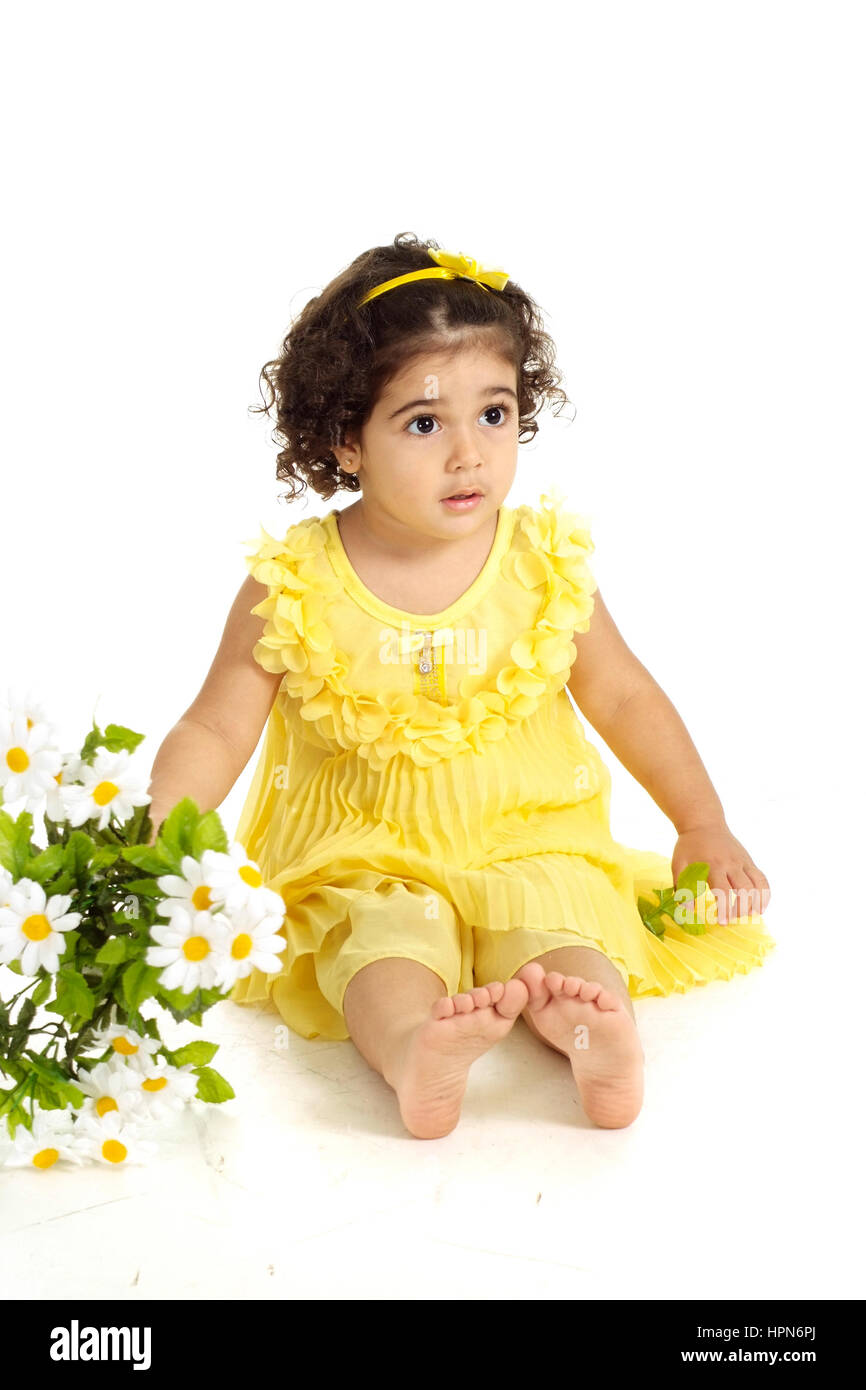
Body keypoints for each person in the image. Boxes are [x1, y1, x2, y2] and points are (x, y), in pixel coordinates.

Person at [146, 233, 774, 1141]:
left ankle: (596, 1027)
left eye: (494, 413)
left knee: (561, 909)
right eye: (425, 423)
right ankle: (413, 1049)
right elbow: (214, 728)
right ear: (343, 441)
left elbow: (627, 696)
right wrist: (160, 833)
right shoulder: (296, 582)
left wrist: (701, 823)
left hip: (526, 828)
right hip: (361, 845)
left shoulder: (539, 563)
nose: (470, 455)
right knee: (378, 938)